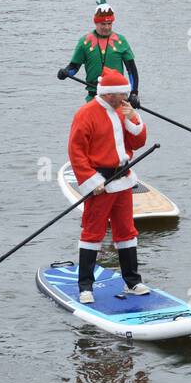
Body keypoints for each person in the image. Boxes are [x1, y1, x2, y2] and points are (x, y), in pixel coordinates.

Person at [67, 69, 149, 303]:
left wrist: (133, 116)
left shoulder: (122, 110)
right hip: (100, 183)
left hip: (123, 180)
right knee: (92, 233)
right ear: (109, 94)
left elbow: (138, 141)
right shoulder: (86, 114)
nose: (125, 98)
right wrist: (92, 181)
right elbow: (76, 152)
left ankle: (133, 281)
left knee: (127, 231)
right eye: (122, 94)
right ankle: (85, 287)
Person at [60, 0, 139, 105]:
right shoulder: (85, 42)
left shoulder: (121, 41)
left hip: (117, 97)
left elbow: (132, 70)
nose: (107, 27)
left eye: (109, 24)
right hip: (94, 96)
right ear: (96, 23)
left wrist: (134, 93)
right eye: (103, 24)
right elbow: (74, 67)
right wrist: (65, 72)